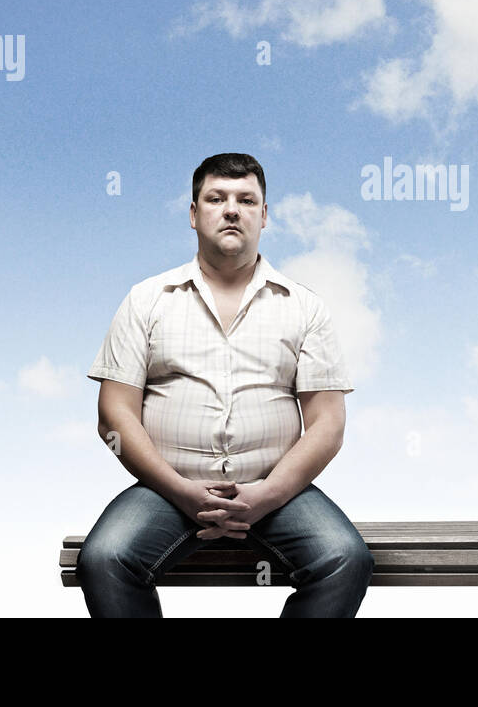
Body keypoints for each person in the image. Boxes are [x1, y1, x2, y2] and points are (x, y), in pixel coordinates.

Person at [75, 152, 374, 617]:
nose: (231, 209)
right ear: (194, 215)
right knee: (103, 558)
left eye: (246, 200)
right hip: (166, 490)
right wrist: (179, 490)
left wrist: (268, 495)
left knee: (344, 559)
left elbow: (327, 424)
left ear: (264, 215)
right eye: (216, 198)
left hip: (276, 490)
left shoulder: (305, 307)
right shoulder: (146, 300)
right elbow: (113, 413)